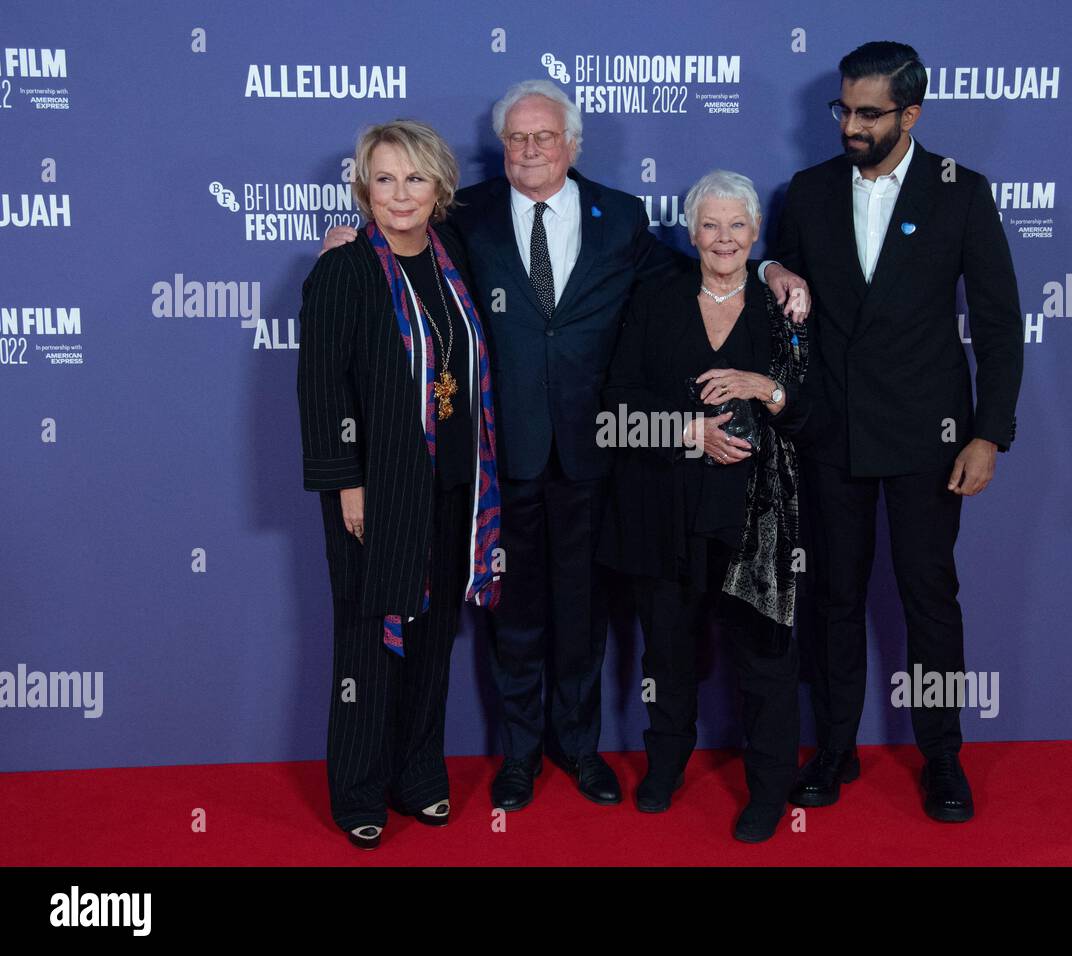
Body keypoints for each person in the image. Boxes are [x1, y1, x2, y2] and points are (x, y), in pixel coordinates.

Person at [323, 79, 810, 814]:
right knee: (514, 617)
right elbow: (404, 243)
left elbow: (700, 269)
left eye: (544, 136)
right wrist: (351, 244)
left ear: (572, 144)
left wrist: (769, 265)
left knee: (582, 616)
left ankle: (577, 748)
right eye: (517, 138)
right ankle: (519, 755)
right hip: (499, 456)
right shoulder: (469, 214)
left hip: (598, 456)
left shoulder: (621, 216)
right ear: (502, 147)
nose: (529, 150)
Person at [771, 41, 1023, 822]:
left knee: (929, 599)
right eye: (842, 108)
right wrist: (772, 269)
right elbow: (781, 275)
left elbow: (998, 324)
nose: (850, 124)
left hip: (929, 436)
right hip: (834, 434)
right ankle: (835, 748)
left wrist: (989, 434)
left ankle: (943, 757)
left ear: (910, 114)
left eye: (868, 113)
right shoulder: (807, 192)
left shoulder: (961, 193)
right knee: (833, 599)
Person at [297, 120, 502, 849]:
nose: (399, 194)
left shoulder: (457, 259)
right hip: (375, 490)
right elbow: (321, 389)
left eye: (414, 178)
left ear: (439, 185)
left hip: (455, 484)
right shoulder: (344, 269)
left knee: (434, 637)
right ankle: (358, 788)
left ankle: (419, 776)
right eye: (383, 179)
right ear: (364, 189)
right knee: (367, 642)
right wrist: (346, 486)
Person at [599, 171, 811, 843]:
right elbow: (613, 415)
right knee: (666, 653)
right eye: (710, 226)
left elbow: (822, 414)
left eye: (737, 226)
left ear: (756, 234)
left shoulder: (788, 309)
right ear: (690, 233)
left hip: (756, 519)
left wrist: (767, 389)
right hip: (662, 512)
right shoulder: (654, 301)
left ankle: (769, 788)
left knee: (764, 661)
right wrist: (689, 431)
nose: (723, 238)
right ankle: (664, 766)